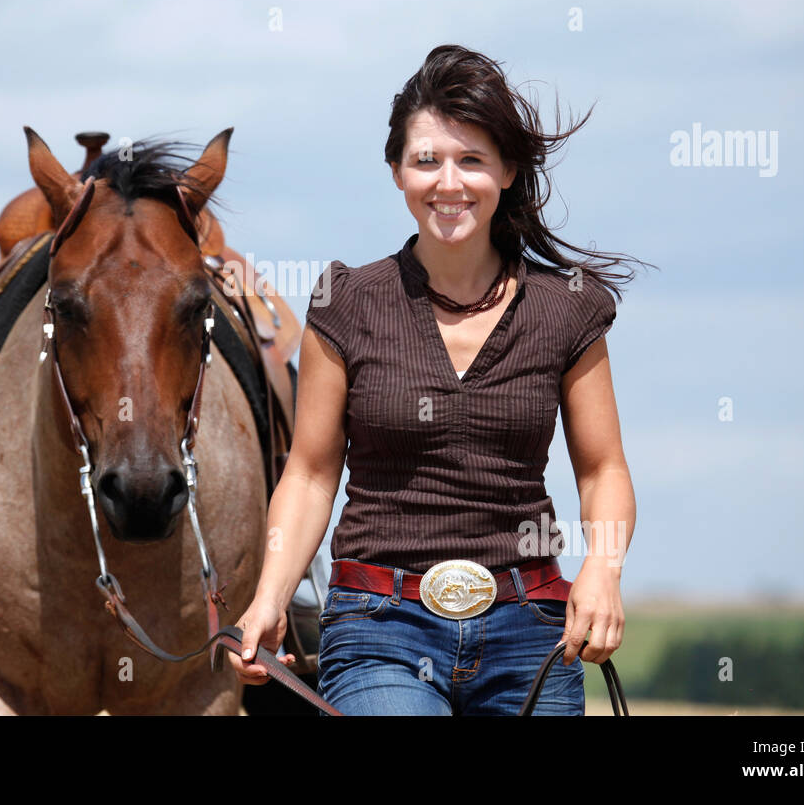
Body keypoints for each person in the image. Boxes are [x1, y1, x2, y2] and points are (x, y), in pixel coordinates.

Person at [228, 44, 646, 715]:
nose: (448, 182)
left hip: (530, 629)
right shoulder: (346, 302)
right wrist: (271, 598)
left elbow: (603, 469)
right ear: (396, 171)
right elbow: (308, 474)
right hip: (379, 628)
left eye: (472, 160)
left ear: (508, 171)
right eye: (427, 160)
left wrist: (603, 569)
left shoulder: (568, 307)